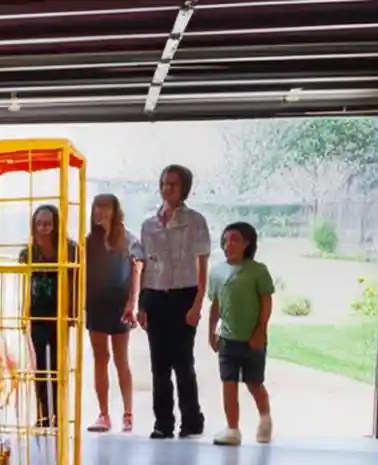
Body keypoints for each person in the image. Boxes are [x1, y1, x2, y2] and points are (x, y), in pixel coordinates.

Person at [137, 164, 211, 439]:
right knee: (159, 364)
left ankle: (192, 420)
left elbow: (202, 264)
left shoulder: (195, 221)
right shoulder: (148, 225)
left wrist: (197, 304)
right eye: (164, 183)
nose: (167, 188)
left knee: (183, 362)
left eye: (173, 184)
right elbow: (144, 267)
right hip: (155, 296)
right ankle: (162, 423)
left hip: (184, 295)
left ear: (184, 189)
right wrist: (141, 304)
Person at [208, 222, 275, 445]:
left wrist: (260, 331)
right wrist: (212, 331)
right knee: (228, 382)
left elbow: (266, 303)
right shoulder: (217, 272)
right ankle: (232, 428)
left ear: (247, 243)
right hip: (228, 339)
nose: (229, 245)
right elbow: (215, 304)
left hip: (252, 340)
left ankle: (265, 420)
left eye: (235, 240)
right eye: (226, 240)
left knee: (254, 382)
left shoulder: (258, 271)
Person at [84, 194, 142, 433]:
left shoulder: (128, 240)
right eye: (97, 206)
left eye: (105, 207)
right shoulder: (89, 241)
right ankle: (103, 414)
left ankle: (128, 414)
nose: (100, 211)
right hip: (96, 304)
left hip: (120, 305)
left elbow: (137, 271)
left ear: (115, 210)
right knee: (100, 358)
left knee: (121, 359)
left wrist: (132, 303)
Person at [19, 204, 77, 427]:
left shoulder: (69, 249)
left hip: (60, 315)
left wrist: (72, 311)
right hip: (36, 316)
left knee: (59, 367)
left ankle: (59, 415)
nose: (44, 228)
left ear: (56, 225)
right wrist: (22, 314)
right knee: (40, 369)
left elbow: (76, 282)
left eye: (48, 224)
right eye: (39, 224)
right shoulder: (28, 252)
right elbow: (21, 285)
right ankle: (43, 416)